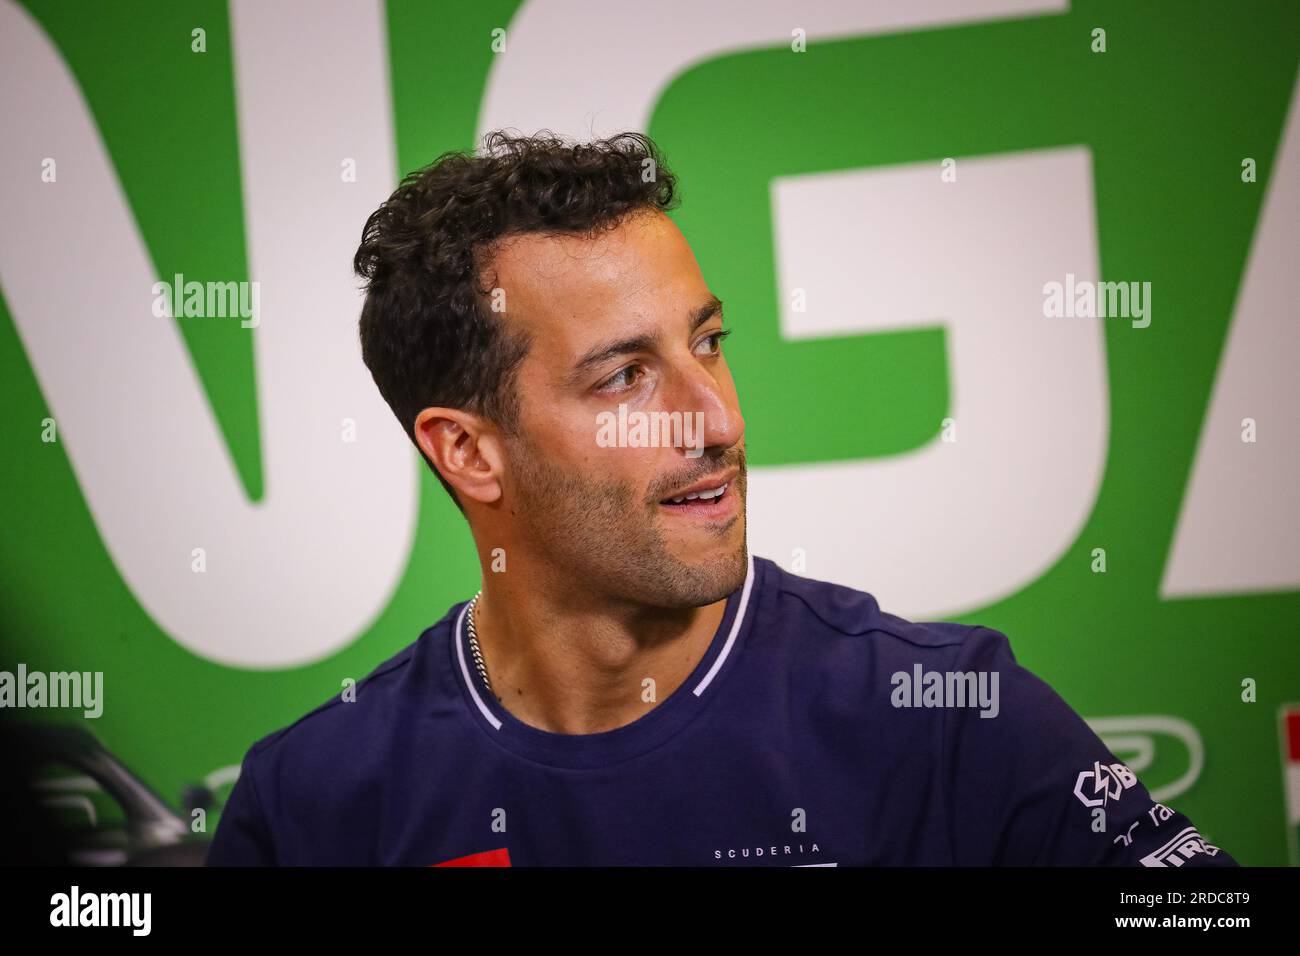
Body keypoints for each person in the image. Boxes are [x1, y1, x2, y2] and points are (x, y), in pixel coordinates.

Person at [207, 131, 1236, 866]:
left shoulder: (950, 717)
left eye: (706, 343)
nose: (715, 420)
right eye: (624, 376)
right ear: (471, 453)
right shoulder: (313, 805)